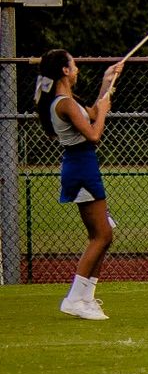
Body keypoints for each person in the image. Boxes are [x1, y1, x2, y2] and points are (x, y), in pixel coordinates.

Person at [36, 50, 122, 319]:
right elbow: (95, 133)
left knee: (103, 234)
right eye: (73, 65)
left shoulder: (69, 102)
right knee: (102, 236)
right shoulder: (65, 104)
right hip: (81, 168)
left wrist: (107, 82)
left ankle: (86, 297)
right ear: (64, 70)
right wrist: (105, 112)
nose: (76, 69)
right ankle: (74, 298)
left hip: (83, 166)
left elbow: (93, 111)